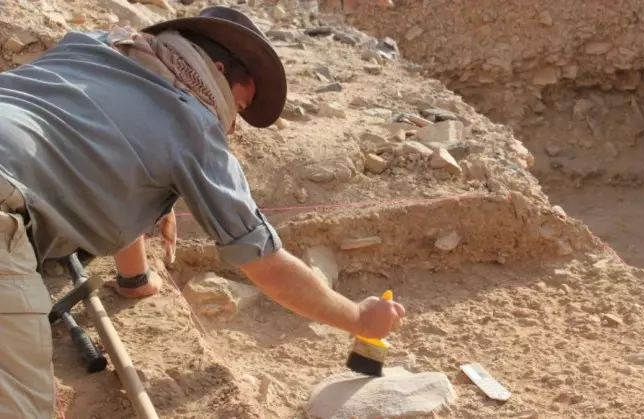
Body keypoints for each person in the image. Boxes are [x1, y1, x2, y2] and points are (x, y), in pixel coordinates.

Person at [0, 6, 405, 418]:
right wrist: (360, 317)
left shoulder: (94, 47)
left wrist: (135, 278)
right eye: (240, 107)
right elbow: (266, 264)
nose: (231, 126)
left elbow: (101, 156)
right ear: (214, 67)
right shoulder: (193, 124)